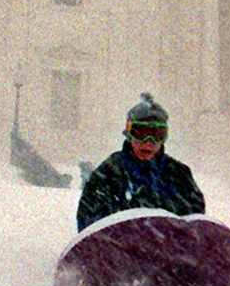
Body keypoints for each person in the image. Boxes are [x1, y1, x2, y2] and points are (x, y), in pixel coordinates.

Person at [76, 94, 205, 232]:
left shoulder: (179, 174)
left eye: (157, 135)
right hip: (118, 251)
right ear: (129, 134)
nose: (149, 142)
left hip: (168, 251)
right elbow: (90, 227)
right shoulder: (109, 173)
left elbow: (194, 225)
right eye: (141, 133)